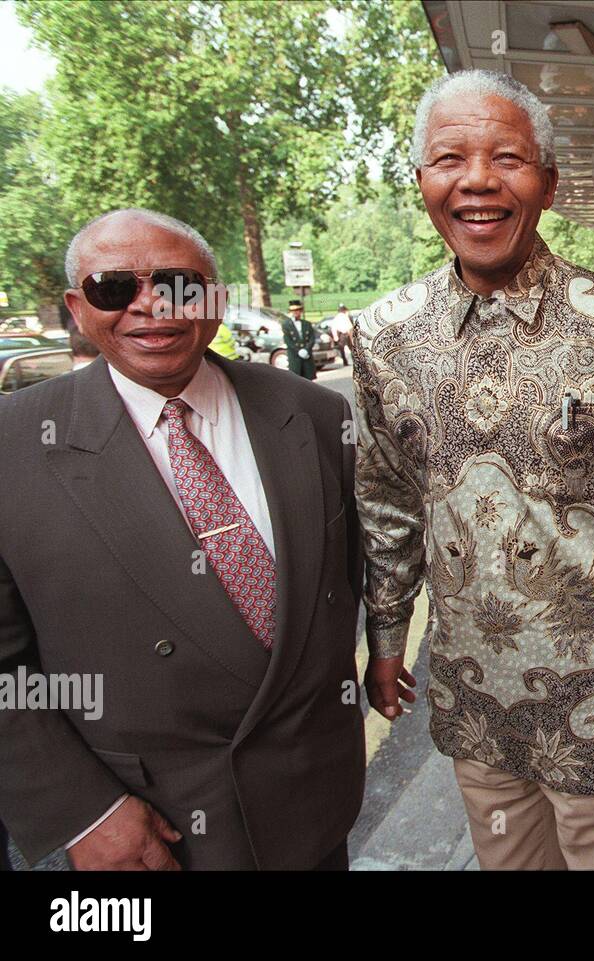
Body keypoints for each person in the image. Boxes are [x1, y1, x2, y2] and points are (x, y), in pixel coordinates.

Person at [353, 69, 594, 870]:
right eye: (450, 158)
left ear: (549, 183)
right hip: (476, 708)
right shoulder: (384, 335)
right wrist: (386, 638)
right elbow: (387, 500)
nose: (479, 180)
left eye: (508, 158)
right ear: (422, 180)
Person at [0, 208, 365, 870]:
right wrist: (83, 810)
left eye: (180, 286)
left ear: (217, 302)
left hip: (314, 809)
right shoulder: (14, 443)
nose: (152, 306)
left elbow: (349, 582)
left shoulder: (314, 413)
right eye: (115, 288)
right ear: (78, 309)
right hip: (145, 833)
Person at [281, 299, 317, 379]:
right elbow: (288, 340)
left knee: (308, 379)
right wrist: (298, 350)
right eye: (293, 310)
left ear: (301, 311)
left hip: (306, 354)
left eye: (297, 310)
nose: (295, 312)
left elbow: (312, 338)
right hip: (295, 355)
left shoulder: (306, 324)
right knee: (297, 378)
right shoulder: (286, 325)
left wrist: (307, 349)